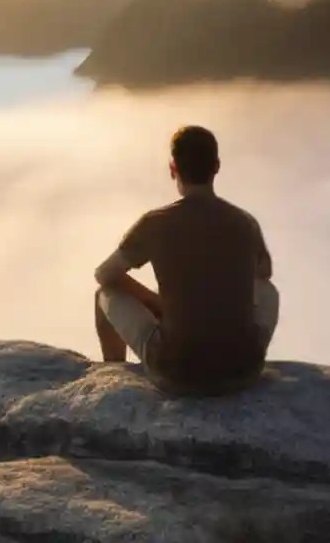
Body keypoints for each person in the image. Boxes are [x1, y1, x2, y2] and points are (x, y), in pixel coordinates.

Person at [93, 125, 278, 395]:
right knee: (267, 290)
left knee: (104, 293)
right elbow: (264, 272)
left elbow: (104, 275)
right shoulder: (244, 222)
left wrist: (155, 302)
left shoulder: (154, 223)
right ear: (216, 167)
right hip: (243, 373)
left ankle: (112, 377)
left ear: (173, 169)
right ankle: (235, 349)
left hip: (176, 374)